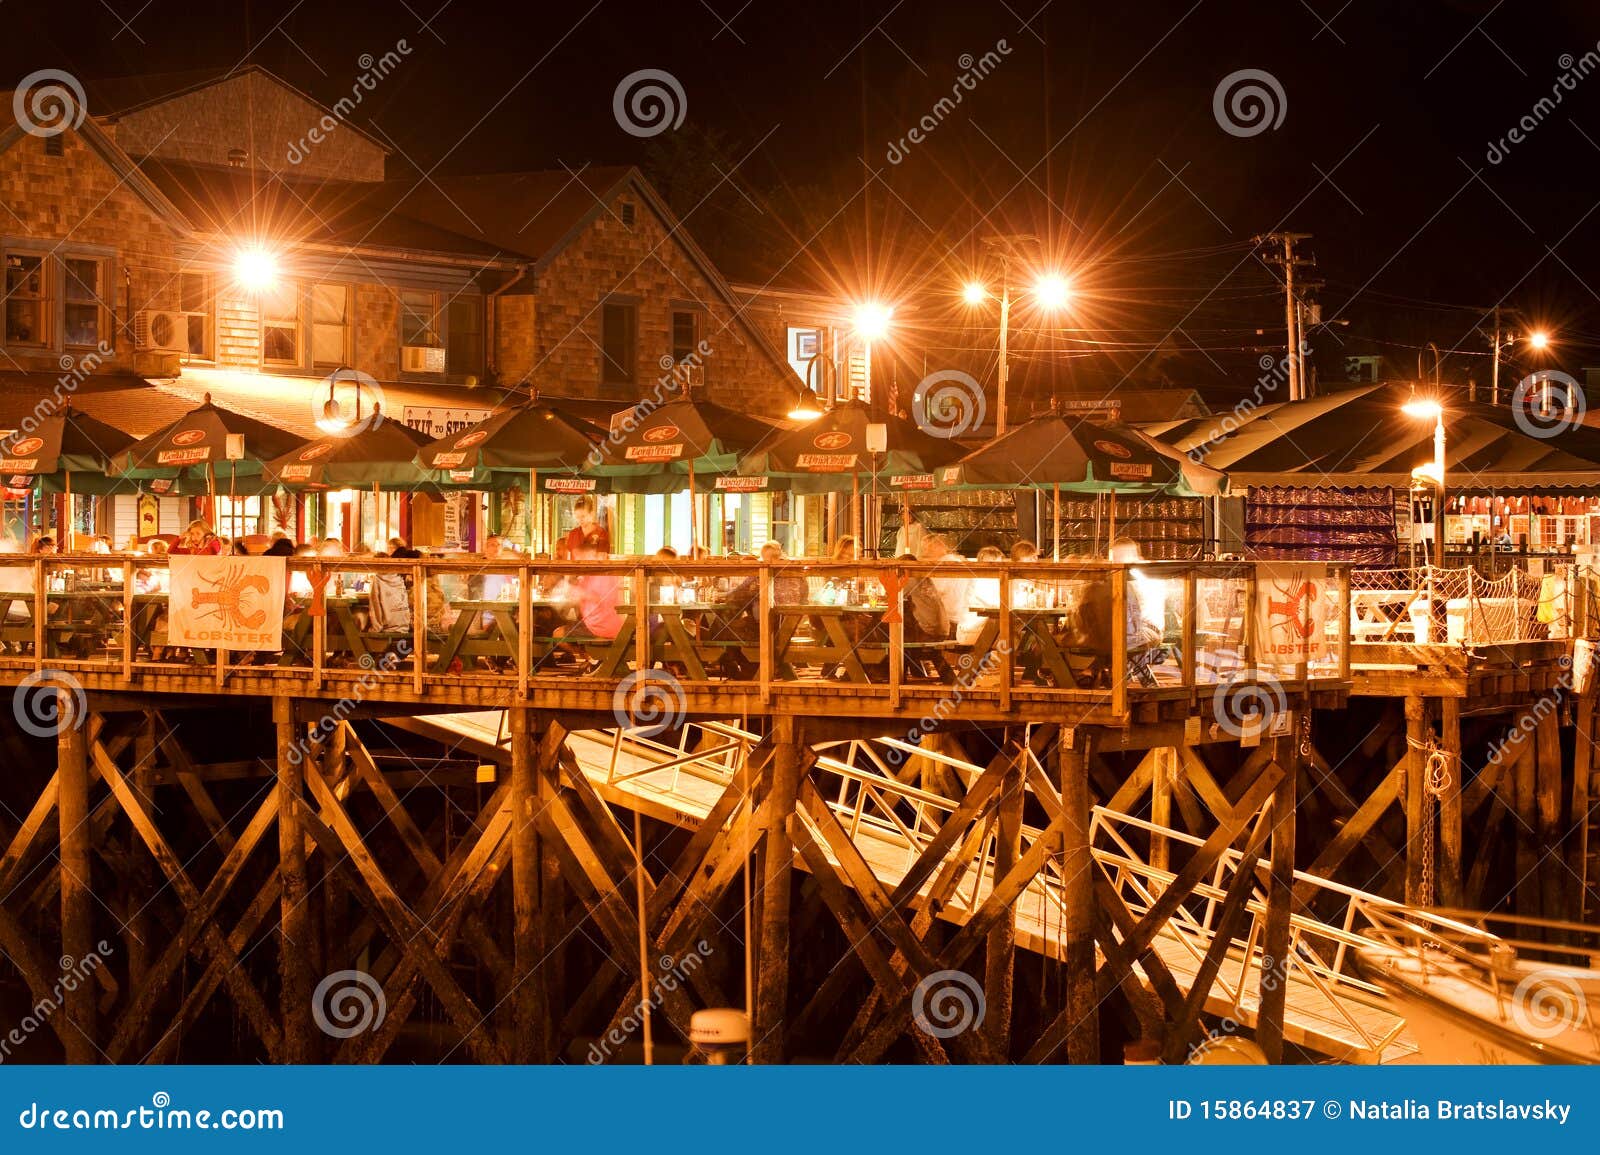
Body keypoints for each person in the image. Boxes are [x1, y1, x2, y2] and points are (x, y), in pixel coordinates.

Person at [956, 545, 1006, 646]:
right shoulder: (979, 581)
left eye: (999, 564)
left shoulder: (993, 580)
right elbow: (996, 605)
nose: (998, 567)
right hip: (970, 632)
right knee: (1011, 637)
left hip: (983, 629)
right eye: (992, 564)